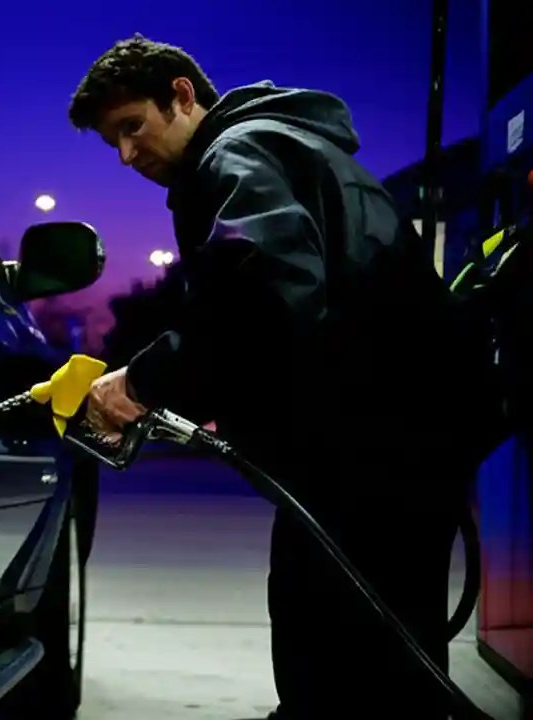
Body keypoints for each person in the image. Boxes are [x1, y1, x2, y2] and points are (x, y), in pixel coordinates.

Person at [68, 35, 494, 719]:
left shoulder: (239, 155)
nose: (127, 155)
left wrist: (140, 382)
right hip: (393, 446)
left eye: (132, 128)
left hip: (368, 453)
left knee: (328, 659)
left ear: (182, 94)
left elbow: (262, 295)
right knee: (382, 663)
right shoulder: (282, 146)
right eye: (112, 142)